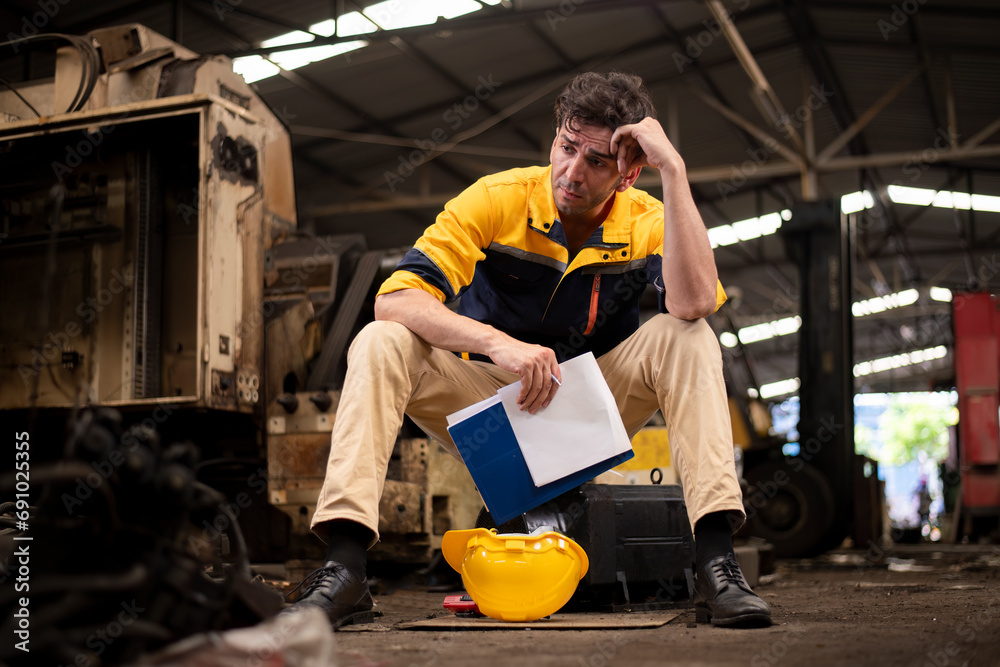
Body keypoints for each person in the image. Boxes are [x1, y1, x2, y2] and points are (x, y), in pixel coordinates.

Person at [286, 71, 771, 628]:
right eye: (567, 148)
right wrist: (500, 346)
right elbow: (395, 300)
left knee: (688, 336)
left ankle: (716, 564)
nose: (573, 172)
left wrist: (676, 173)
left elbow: (691, 303)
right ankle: (344, 567)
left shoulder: (650, 222)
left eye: (597, 162)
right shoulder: (497, 200)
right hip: (488, 411)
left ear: (629, 172)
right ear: (555, 139)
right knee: (382, 339)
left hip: (589, 411)